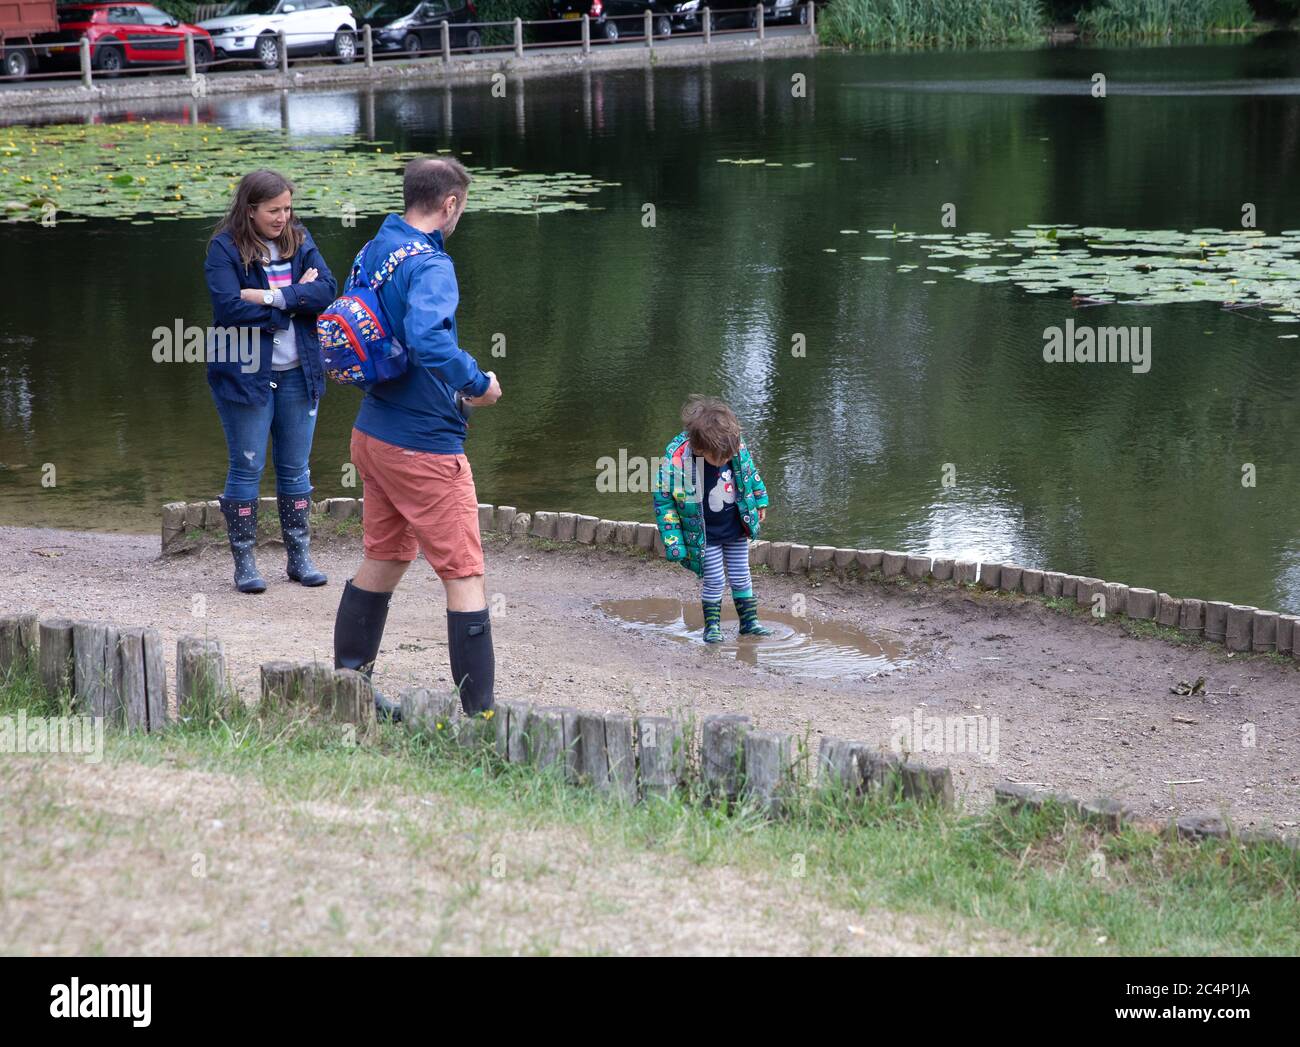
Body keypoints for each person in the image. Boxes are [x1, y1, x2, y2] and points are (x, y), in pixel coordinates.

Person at [332, 157, 502, 721]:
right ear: (450, 204)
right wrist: (478, 384)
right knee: (465, 572)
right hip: (424, 444)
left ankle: (349, 689)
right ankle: (480, 717)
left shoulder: (375, 248)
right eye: (462, 208)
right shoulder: (431, 264)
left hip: (372, 435)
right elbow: (428, 340)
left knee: (384, 557)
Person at [204, 169, 337, 594]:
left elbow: (328, 291)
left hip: (300, 371)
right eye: (274, 210)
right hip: (244, 372)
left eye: (287, 208)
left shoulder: (300, 238)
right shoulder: (224, 248)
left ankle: (299, 559)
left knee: (296, 467)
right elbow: (228, 310)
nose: (283, 217)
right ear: (250, 209)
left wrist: (267, 297)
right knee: (246, 466)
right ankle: (245, 564)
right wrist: (295, 300)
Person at [653, 396, 773, 643]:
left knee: (741, 574)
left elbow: (750, 475)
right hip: (703, 536)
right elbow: (664, 503)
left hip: (735, 528)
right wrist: (673, 541)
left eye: (729, 455)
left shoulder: (735, 449)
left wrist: (760, 500)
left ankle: (749, 623)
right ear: (700, 449)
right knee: (715, 579)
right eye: (720, 458)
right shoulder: (678, 465)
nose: (726, 461)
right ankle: (712, 627)